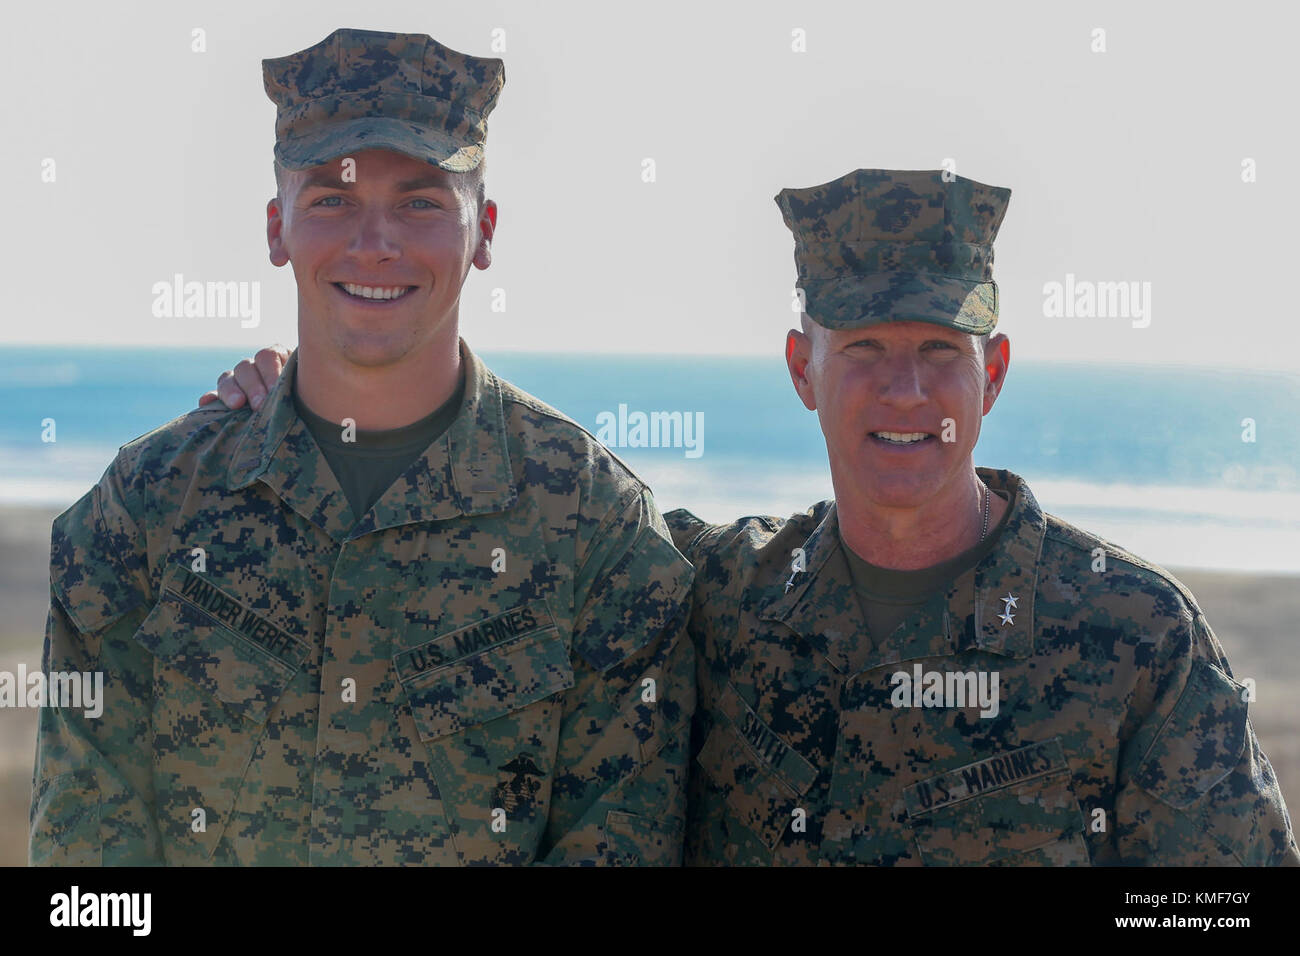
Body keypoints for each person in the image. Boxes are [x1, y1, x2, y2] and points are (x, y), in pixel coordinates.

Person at [204, 165, 1300, 866]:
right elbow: (507, 515)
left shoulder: (1130, 634)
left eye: (938, 355)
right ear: (801, 368)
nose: (904, 394)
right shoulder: (717, 594)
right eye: (863, 351)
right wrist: (313, 414)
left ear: (994, 372)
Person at [30, 27, 694, 867]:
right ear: (277, 229)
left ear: (483, 231)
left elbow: (618, 845)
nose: (374, 243)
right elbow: (85, 872)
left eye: (420, 201)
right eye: (331, 200)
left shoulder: (595, 526)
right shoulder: (149, 507)